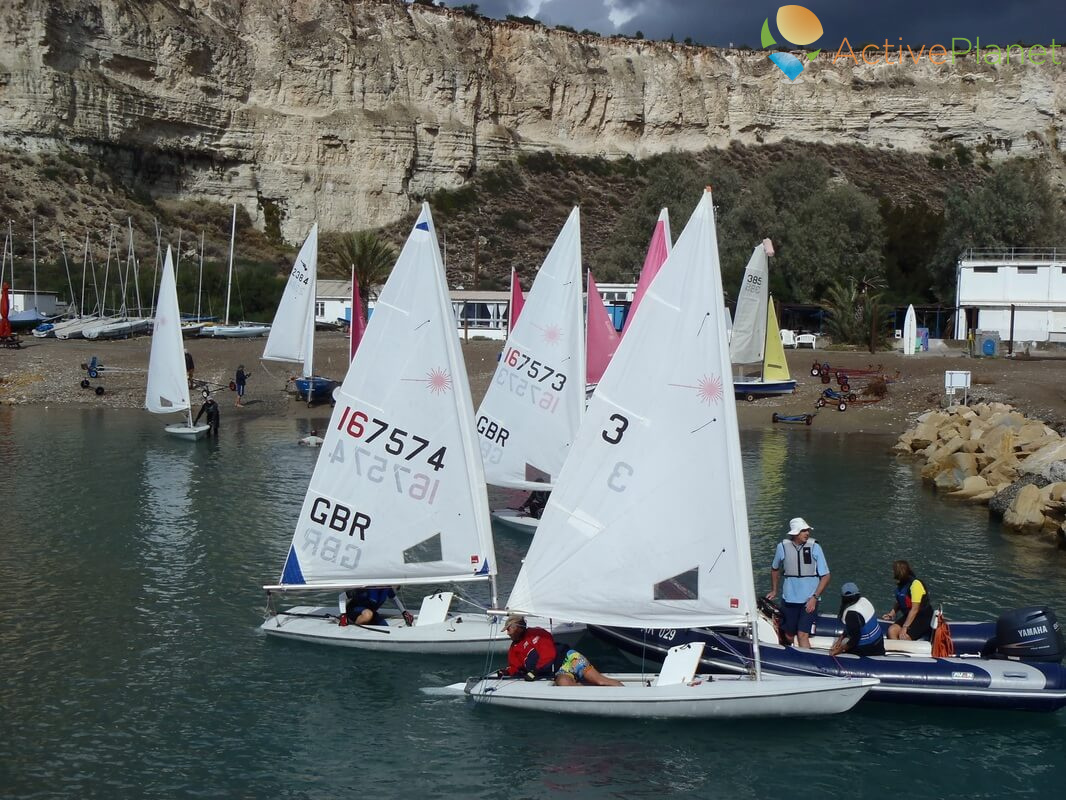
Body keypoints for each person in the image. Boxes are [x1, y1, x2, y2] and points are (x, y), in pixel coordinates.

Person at [497, 615, 622, 686]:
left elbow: (548, 655)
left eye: (508, 629)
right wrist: (506, 672)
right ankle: (592, 693)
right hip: (559, 672)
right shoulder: (514, 648)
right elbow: (515, 666)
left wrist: (535, 671)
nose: (507, 633)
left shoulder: (537, 634)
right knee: (563, 683)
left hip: (570, 659)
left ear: (517, 628)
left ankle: (624, 691)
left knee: (600, 681)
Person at [765, 517, 830, 648]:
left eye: (807, 530)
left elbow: (826, 576)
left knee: (802, 634)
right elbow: (774, 569)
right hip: (789, 598)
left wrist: (815, 597)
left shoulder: (815, 547)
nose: (807, 533)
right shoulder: (782, 547)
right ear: (795, 533)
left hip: (809, 600)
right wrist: (774, 590)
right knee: (789, 634)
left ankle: (808, 661)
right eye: (803, 530)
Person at [829, 582, 886, 657]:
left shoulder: (851, 613)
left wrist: (840, 650)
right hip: (879, 641)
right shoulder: (864, 600)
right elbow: (855, 626)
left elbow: (855, 639)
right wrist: (841, 638)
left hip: (868, 648)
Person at [883, 560, 934, 641]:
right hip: (909, 616)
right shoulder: (902, 585)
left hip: (923, 618)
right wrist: (892, 613)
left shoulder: (915, 584)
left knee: (903, 636)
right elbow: (901, 601)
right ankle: (895, 651)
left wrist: (905, 627)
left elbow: (915, 609)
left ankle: (902, 649)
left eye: (894, 570)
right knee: (891, 630)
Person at [344, 586, 413, 627]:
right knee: (368, 614)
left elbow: (394, 599)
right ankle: (353, 627)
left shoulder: (387, 587)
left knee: (386, 628)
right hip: (353, 612)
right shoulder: (366, 588)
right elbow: (342, 596)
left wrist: (404, 612)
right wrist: (343, 615)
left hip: (371, 613)